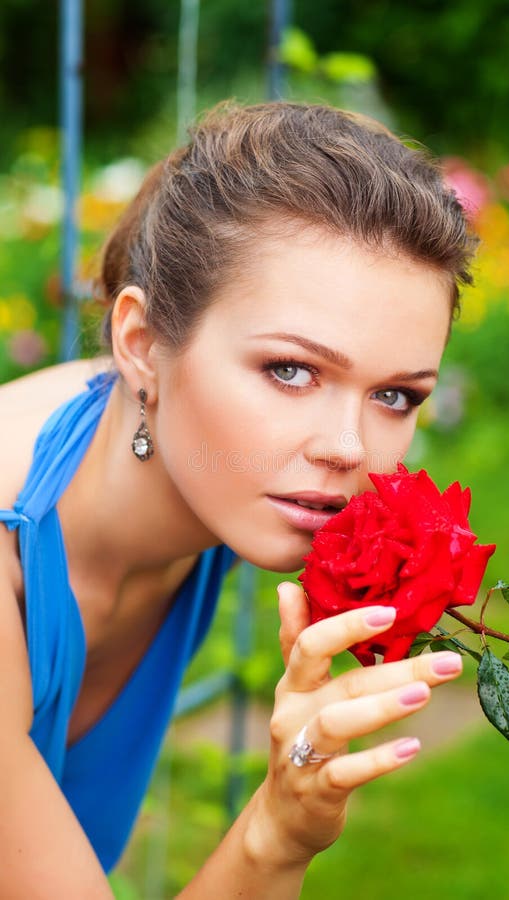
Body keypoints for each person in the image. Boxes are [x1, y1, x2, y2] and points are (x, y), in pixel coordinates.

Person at [0, 100, 475, 898]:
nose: (349, 448)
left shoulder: (185, 473)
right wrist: (275, 836)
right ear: (142, 344)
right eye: (291, 370)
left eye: (395, 395)